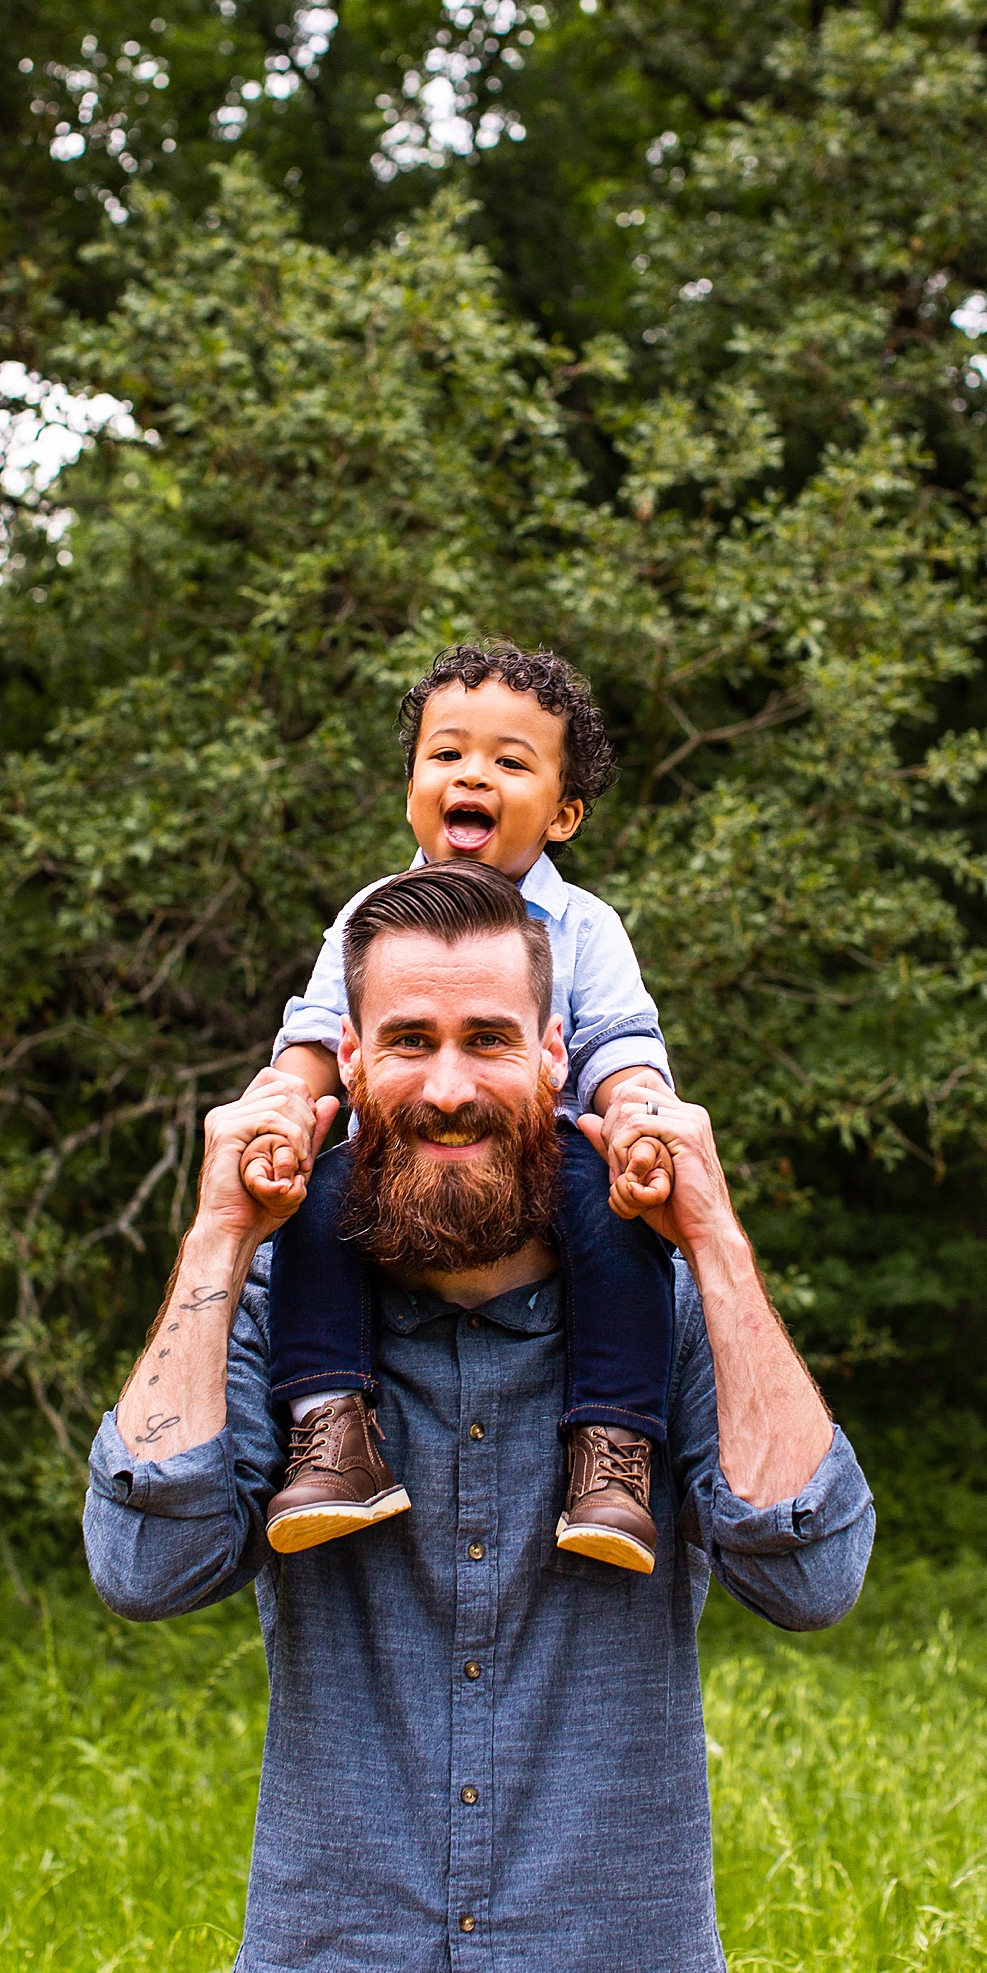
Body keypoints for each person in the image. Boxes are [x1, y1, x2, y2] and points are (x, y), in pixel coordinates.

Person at [84, 860, 875, 1973]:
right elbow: (142, 1561)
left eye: (489, 1039)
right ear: (349, 1061)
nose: (449, 1084)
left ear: (558, 1058)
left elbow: (813, 1580)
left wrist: (716, 1240)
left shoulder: (667, 1315)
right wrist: (221, 1236)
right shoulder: (280, 1318)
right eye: (409, 1040)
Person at [249, 640, 681, 1576]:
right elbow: (321, 1035)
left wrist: (639, 1113)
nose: (471, 775)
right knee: (315, 1204)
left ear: (563, 813)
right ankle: (333, 1431)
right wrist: (281, 1106)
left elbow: (618, 1042)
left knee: (623, 1226)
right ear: (411, 787)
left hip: (547, 1146)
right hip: (395, 1151)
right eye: (447, 755)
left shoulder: (585, 926)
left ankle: (613, 1453)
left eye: (510, 762)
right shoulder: (372, 911)